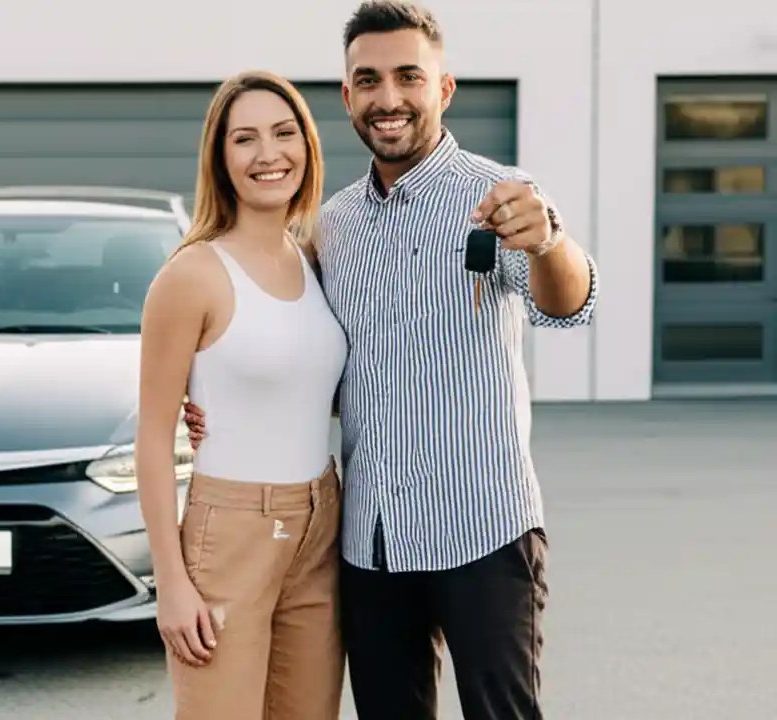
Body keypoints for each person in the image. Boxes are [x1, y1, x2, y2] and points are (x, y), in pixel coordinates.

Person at [183, 2, 601, 719]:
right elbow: (300, 354)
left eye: (409, 76)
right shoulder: (333, 225)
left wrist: (549, 242)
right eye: (369, 81)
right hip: (370, 540)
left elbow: (566, 305)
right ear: (348, 96)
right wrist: (212, 406)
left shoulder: (499, 195)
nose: (389, 98)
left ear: (444, 88)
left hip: (482, 526)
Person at [135, 69, 349, 720]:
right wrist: (171, 584)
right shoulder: (192, 275)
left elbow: (306, 384)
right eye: (245, 139)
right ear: (220, 157)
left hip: (320, 521)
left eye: (284, 133)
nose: (268, 154)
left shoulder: (315, 257)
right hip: (230, 531)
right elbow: (151, 437)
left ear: (307, 145)